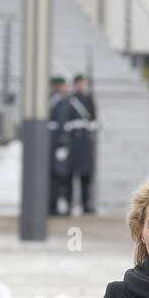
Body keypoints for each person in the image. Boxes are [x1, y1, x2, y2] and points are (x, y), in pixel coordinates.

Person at [64, 73, 99, 215]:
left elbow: (93, 118)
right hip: (74, 141)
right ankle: (68, 204)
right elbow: (66, 120)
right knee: (70, 175)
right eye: (80, 83)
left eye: (84, 83)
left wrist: (91, 125)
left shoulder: (89, 99)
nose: (82, 85)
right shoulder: (70, 100)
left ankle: (86, 205)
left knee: (86, 176)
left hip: (86, 141)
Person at [48, 74, 71, 215]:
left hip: (51, 143)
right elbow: (61, 124)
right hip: (56, 143)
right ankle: (54, 206)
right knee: (58, 176)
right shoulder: (59, 102)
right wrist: (62, 143)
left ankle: (53, 205)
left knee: (54, 176)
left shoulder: (51, 100)